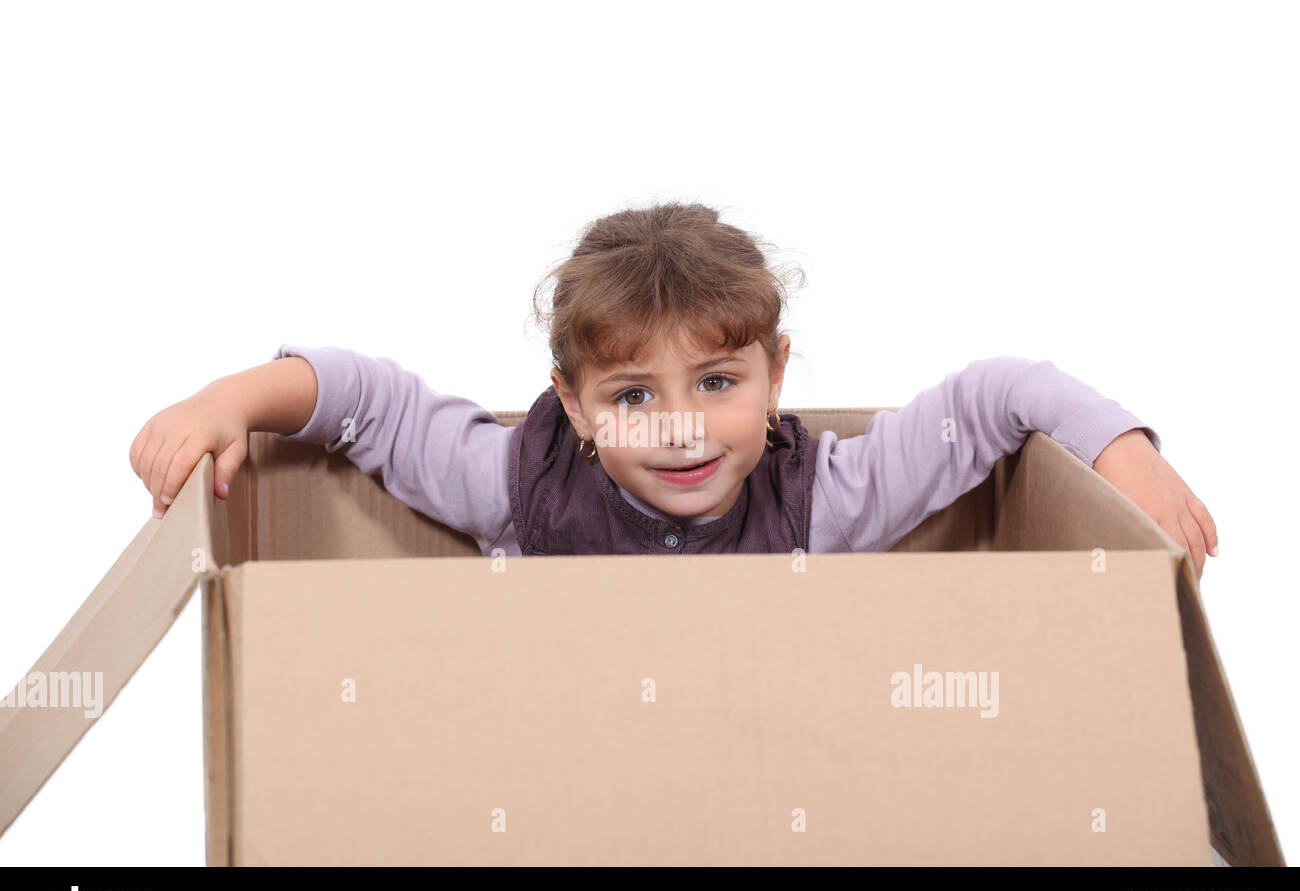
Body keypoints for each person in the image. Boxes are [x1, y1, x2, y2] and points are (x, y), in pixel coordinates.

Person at [128, 201, 1218, 575]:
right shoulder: (516, 481)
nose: (683, 422)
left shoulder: (827, 495)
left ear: (777, 375)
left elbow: (998, 394)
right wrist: (228, 402)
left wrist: (1121, 447)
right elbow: (371, 402)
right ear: (565, 399)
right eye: (633, 395)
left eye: (717, 378)